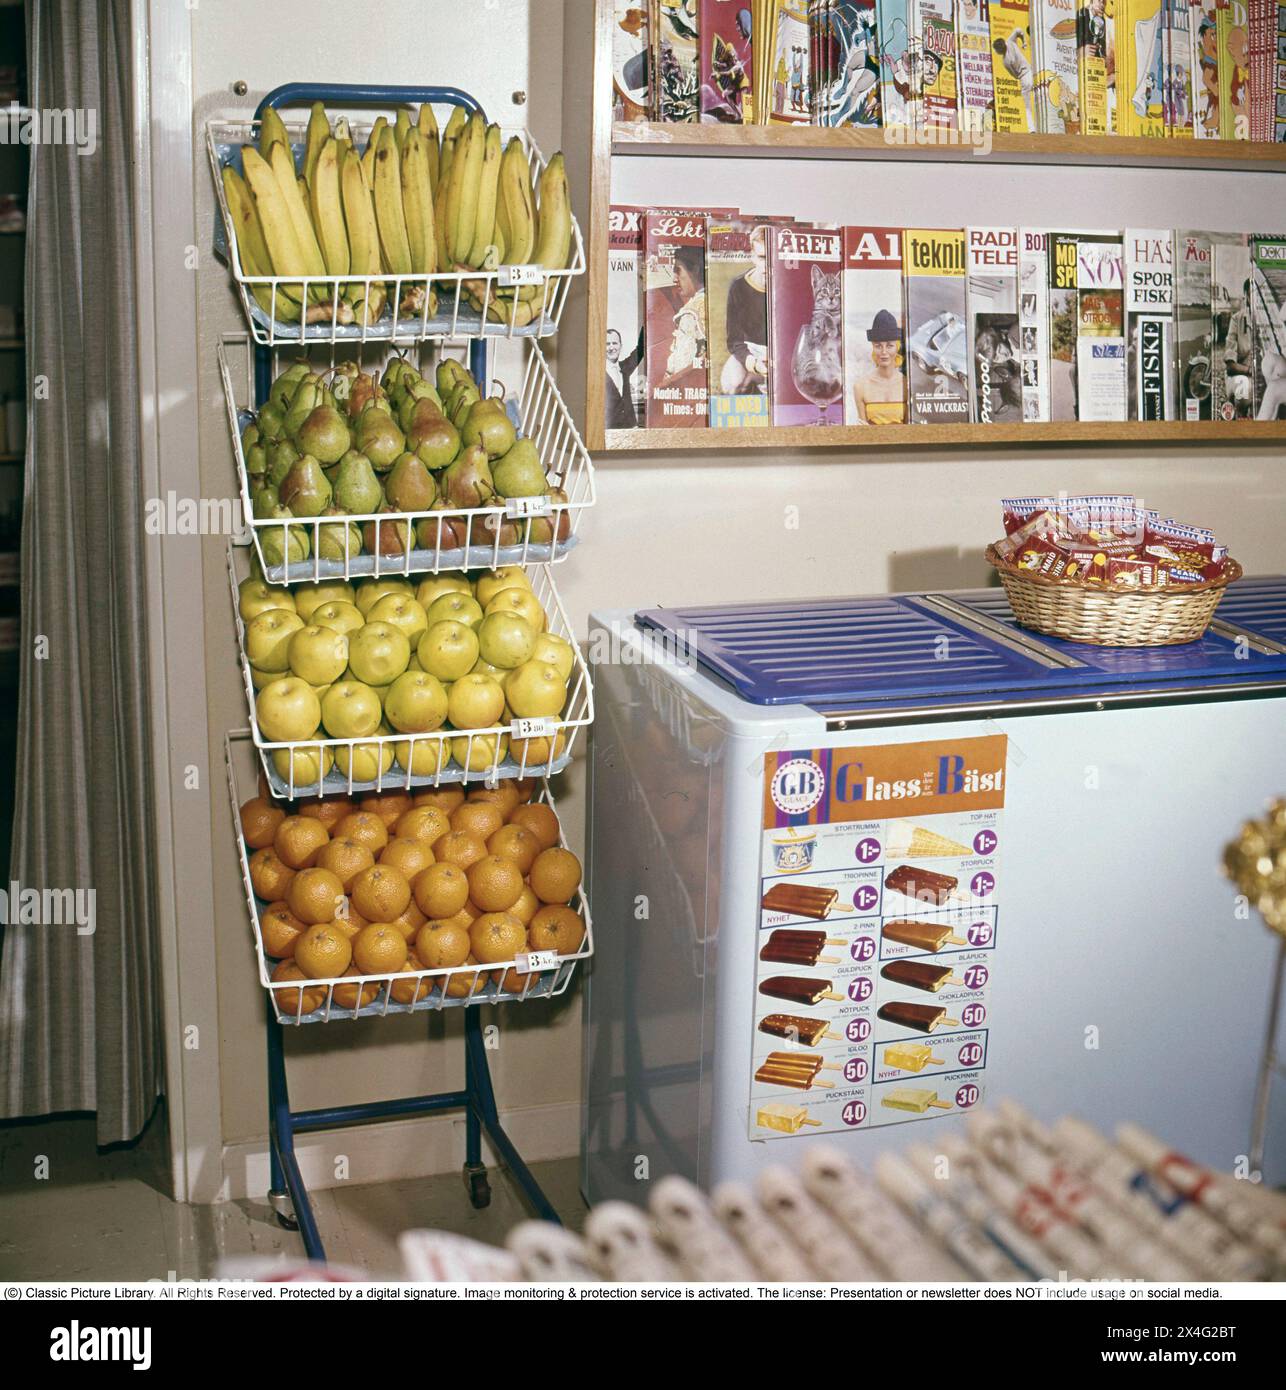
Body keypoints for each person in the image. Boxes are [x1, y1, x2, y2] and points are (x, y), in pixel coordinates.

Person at [720, 225, 769, 394]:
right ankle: (755, 383)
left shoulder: (788, 287)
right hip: (752, 351)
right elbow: (734, 341)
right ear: (752, 256)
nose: (768, 264)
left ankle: (762, 386)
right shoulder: (738, 287)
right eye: (762, 257)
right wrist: (754, 363)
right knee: (733, 384)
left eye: (773, 257)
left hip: (781, 354)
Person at [851, 308, 906, 424]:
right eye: (878, 346)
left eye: (890, 346)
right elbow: (862, 432)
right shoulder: (860, 387)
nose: (884, 352)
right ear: (873, 347)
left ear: (897, 347)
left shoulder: (907, 385)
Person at [1222, 278, 1253, 417]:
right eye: (1254, 294)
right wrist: (1250, 370)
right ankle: (1240, 418)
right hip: (1243, 376)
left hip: (1267, 379)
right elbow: (1231, 366)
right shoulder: (1236, 319)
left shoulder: (1272, 322)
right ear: (1246, 296)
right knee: (1243, 387)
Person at [993, 27, 1035, 129]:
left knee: (1028, 107)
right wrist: (1024, 41)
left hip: (1024, 78)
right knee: (1040, 98)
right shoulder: (1009, 42)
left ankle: (1032, 129)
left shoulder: (1005, 61)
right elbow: (1018, 30)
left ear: (999, 51)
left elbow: (1015, 75)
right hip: (1031, 72)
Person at [605, 326, 643, 429]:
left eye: (615, 343)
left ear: (621, 346)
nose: (611, 348)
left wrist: (648, 322)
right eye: (607, 344)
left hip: (630, 429)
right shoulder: (597, 373)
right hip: (609, 432)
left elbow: (640, 349)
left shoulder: (625, 368)